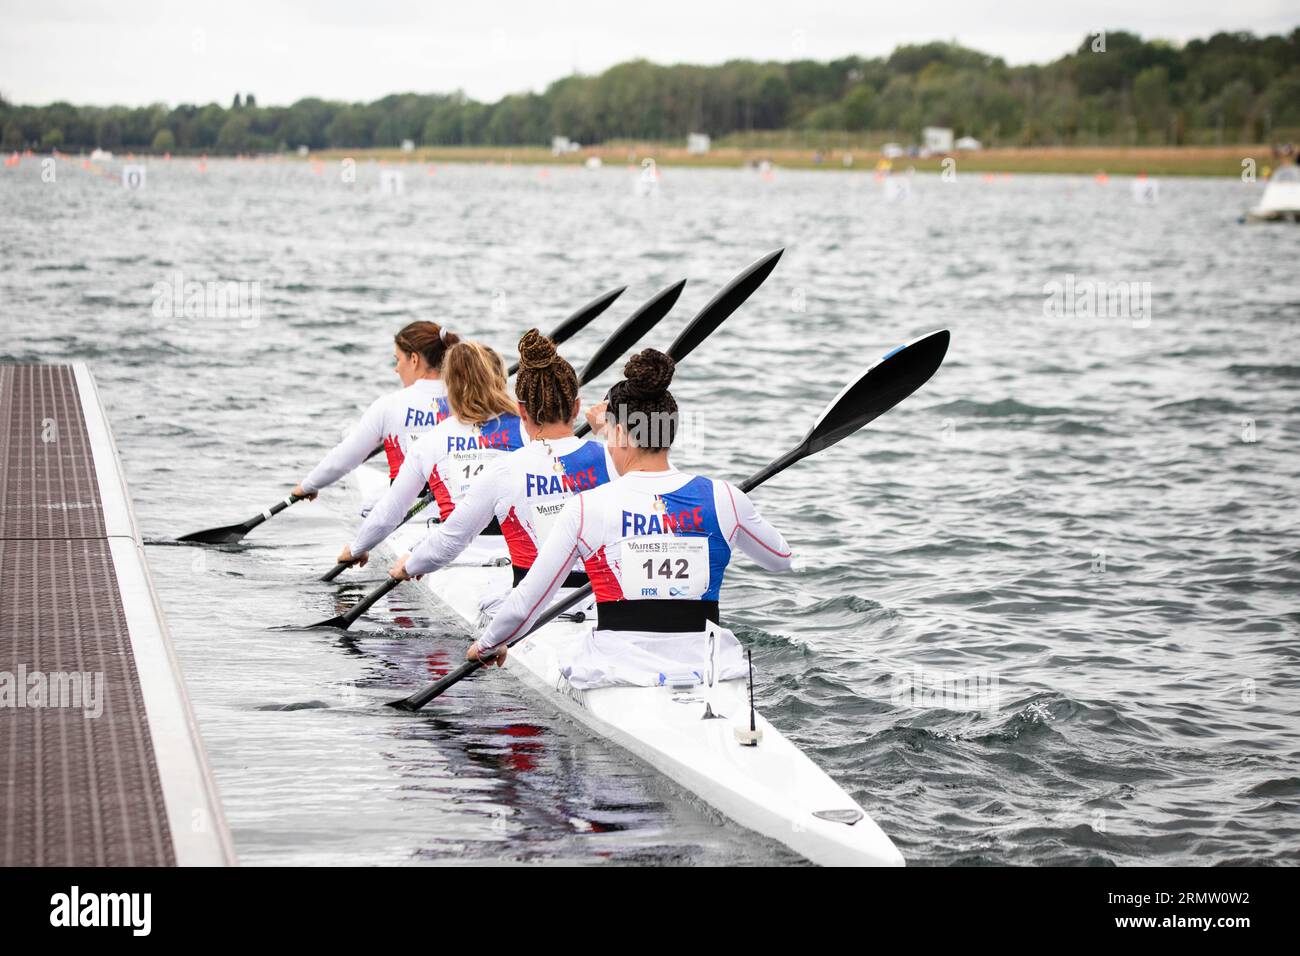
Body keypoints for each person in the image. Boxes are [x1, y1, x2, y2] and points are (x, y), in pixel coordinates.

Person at [453, 348, 794, 686]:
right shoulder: (726, 498)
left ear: (618, 434)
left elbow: (530, 600)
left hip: (617, 669)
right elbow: (781, 559)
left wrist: (488, 644)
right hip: (712, 666)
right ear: (669, 431)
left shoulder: (587, 508)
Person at [388, 328, 615, 603]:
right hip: (606, 600)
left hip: (531, 603)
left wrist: (411, 565)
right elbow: (655, 464)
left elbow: (451, 540)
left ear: (521, 411)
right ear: (577, 407)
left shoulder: (503, 471)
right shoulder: (612, 459)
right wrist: (611, 432)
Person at [340, 341, 524, 568]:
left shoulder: (433, 440)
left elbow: (392, 510)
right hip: (525, 556)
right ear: (499, 380)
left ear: (449, 385)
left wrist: (358, 547)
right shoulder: (528, 430)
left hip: (458, 555)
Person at [291, 321, 458, 501]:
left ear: (414, 360)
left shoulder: (389, 405)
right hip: (468, 511)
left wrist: (309, 484)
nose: (396, 369)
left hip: (410, 510)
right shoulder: (474, 400)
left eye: (398, 360)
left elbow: (346, 457)